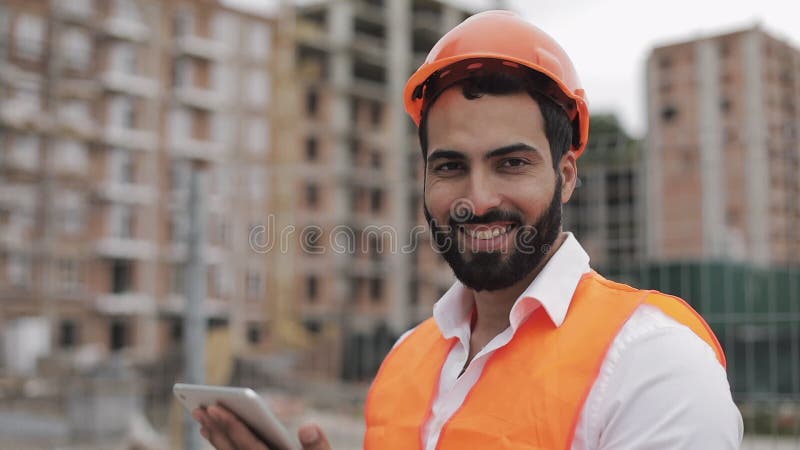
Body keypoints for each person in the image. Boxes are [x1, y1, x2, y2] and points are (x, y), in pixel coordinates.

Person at [193, 10, 744, 450]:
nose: (477, 201)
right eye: (451, 166)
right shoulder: (403, 362)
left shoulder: (654, 363)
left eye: (511, 164)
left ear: (567, 176)